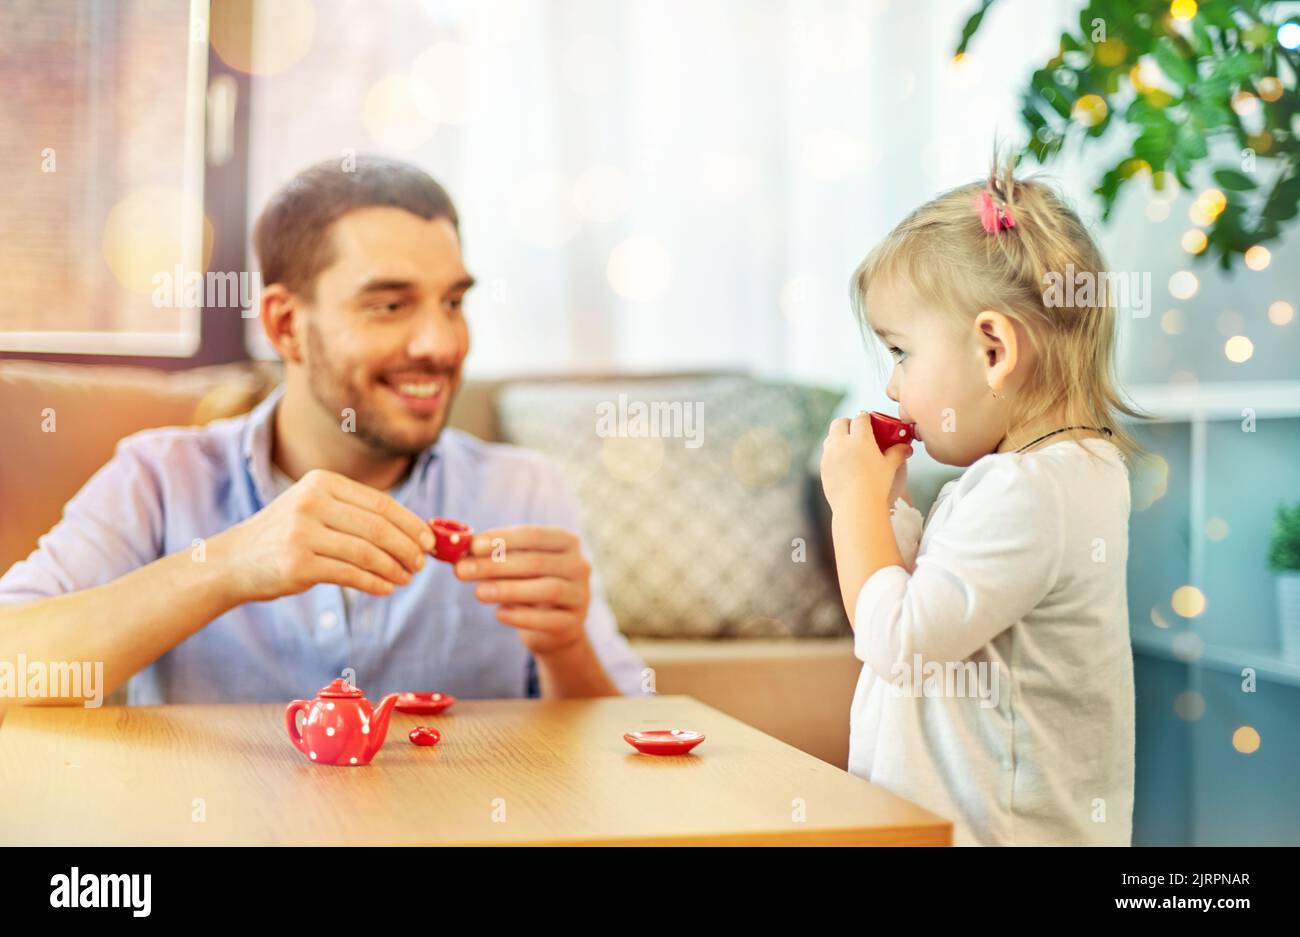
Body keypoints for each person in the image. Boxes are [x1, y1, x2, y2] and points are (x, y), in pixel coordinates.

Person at [0, 155, 648, 711]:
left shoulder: (524, 490)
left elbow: (620, 740)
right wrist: (225, 565)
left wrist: (565, 648)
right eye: (389, 305)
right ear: (285, 326)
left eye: (452, 302)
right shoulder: (159, 478)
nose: (440, 343)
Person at [819, 155, 1146, 845]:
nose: (893, 386)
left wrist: (853, 506)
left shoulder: (1027, 489)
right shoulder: (1062, 475)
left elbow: (900, 639)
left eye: (902, 352)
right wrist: (890, 508)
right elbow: (940, 600)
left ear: (994, 348)